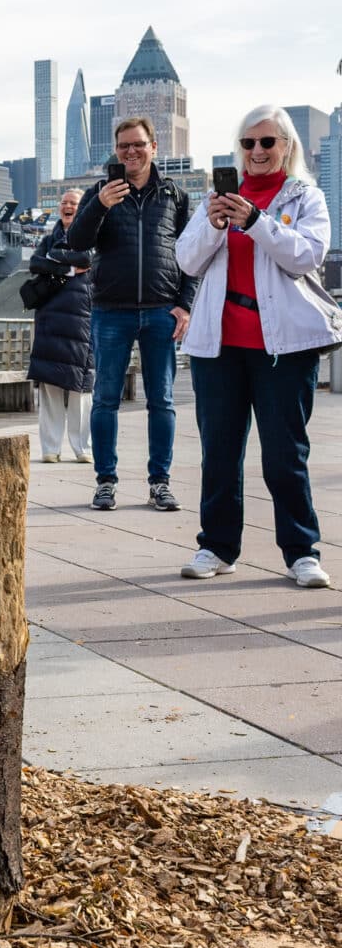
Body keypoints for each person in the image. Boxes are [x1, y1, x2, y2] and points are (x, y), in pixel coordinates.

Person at [174, 105, 342, 588]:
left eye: (268, 142)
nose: (258, 152)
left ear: (287, 146)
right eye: (248, 143)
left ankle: (301, 552)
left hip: (284, 347)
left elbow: (306, 255)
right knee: (219, 452)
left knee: (284, 453)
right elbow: (186, 260)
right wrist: (215, 223)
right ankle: (216, 547)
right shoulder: (217, 199)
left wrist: (255, 220)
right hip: (219, 345)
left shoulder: (306, 197)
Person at [66, 115, 197, 513]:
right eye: (124, 146)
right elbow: (76, 241)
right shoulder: (99, 192)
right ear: (116, 151)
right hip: (111, 312)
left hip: (161, 310)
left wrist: (185, 304)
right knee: (105, 399)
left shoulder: (174, 195)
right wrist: (100, 206)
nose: (131, 151)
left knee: (162, 400)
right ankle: (105, 482)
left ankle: (160, 483)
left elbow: (192, 256)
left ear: (154, 147)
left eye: (138, 144)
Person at [27, 190, 95, 463]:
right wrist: (67, 269)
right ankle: (50, 449)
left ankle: (83, 449)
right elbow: (35, 263)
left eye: (74, 203)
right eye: (64, 203)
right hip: (50, 319)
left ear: (83, 209)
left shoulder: (94, 237)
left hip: (81, 319)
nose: (68, 206)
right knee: (50, 388)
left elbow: (88, 259)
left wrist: (54, 262)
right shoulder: (47, 240)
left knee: (82, 389)